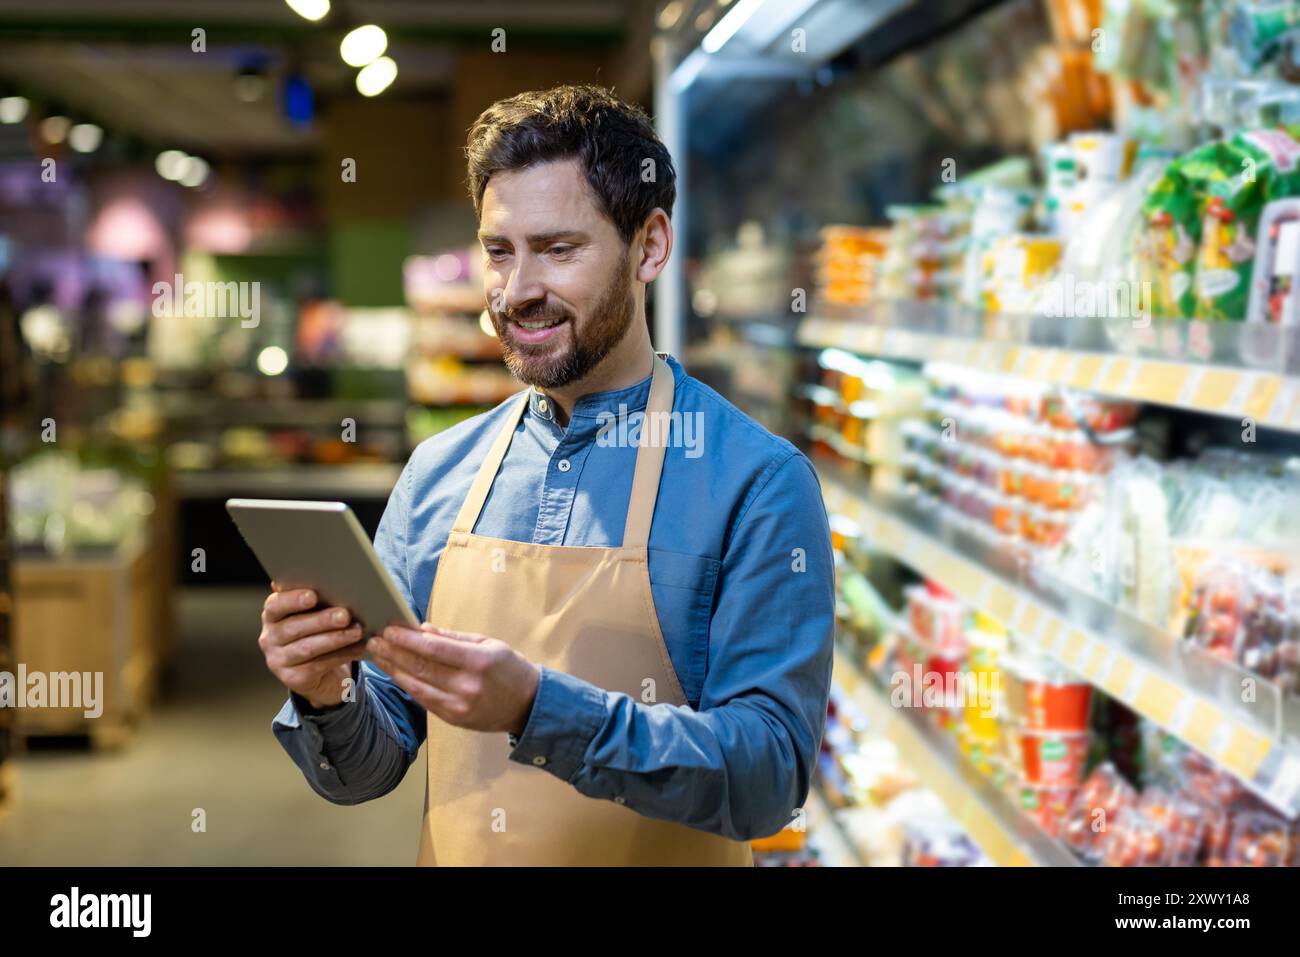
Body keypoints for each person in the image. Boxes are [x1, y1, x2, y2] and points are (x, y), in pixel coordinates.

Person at [264, 84, 834, 866]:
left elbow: (769, 776)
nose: (516, 290)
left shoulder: (756, 483)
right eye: (500, 251)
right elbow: (372, 766)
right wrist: (326, 690)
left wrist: (539, 708)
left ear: (650, 246)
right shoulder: (439, 473)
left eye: (559, 249)